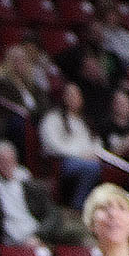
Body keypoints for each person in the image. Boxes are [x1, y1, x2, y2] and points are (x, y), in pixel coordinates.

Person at [0, 140, 84, 246]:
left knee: (77, 235)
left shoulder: (30, 186)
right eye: (2, 161)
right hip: (8, 239)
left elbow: (52, 213)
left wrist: (39, 235)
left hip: (37, 233)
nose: (7, 164)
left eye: (10, 160)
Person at [39, 81, 103, 210]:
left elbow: (96, 143)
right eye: (70, 95)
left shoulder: (85, 122)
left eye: (76, 95)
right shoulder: (52, 118)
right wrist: (81, 155)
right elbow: (53, 146)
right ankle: (77, 207)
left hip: (88, 159)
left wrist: (96, 154)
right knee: (91, 167)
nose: (73, 98)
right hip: (63, 162)